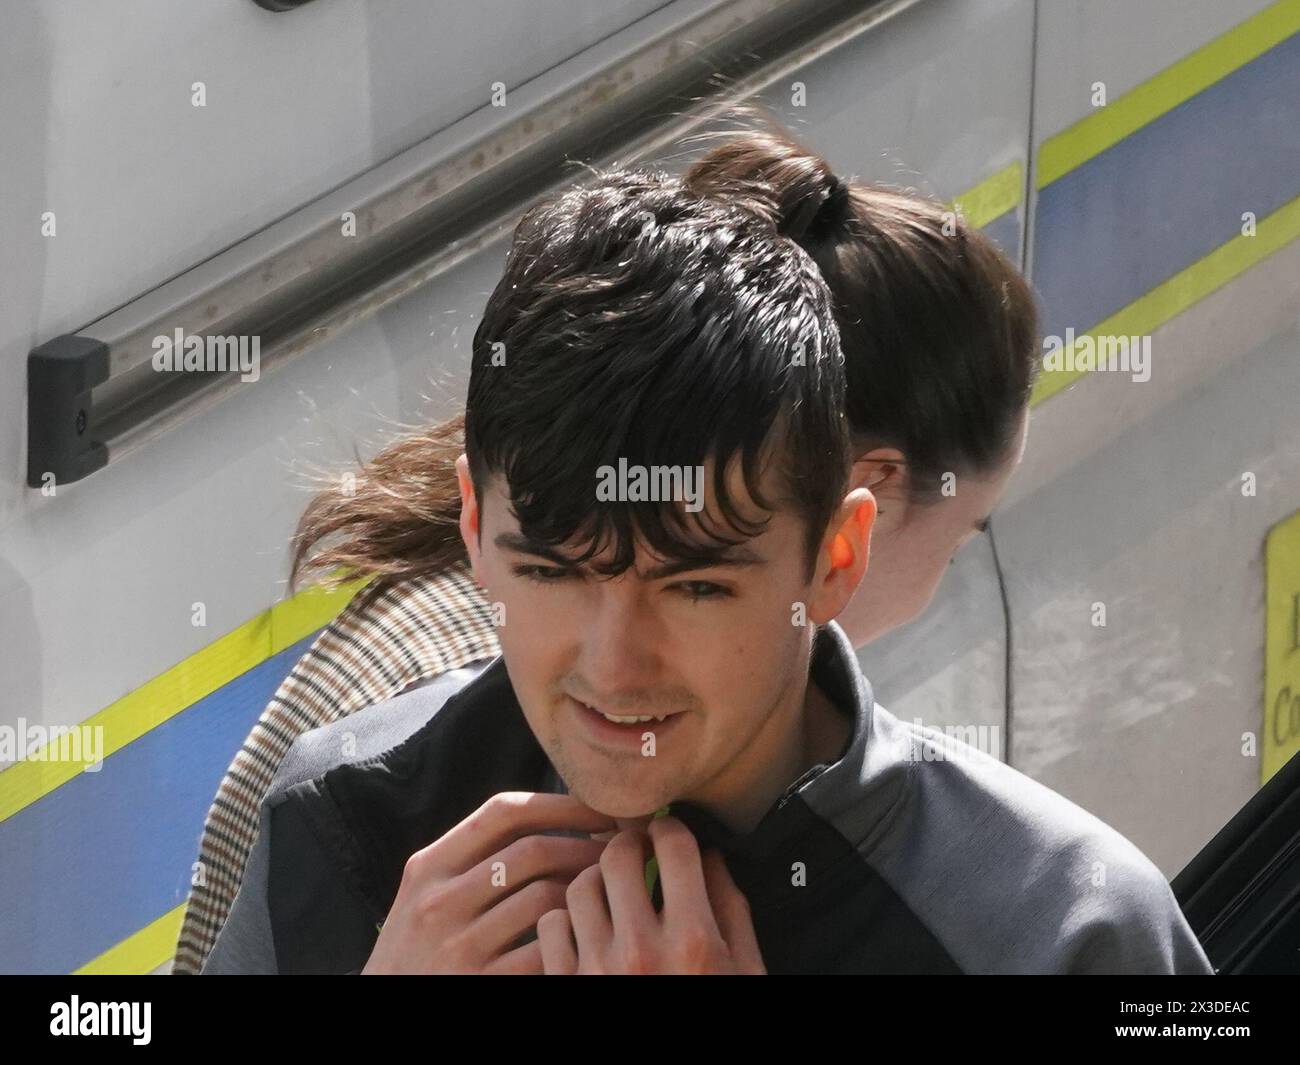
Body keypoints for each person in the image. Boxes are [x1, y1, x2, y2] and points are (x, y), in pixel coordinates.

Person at [198, 157, 1212, 974]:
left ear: (834, 556)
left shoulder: (1069, 931)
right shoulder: (339, 821)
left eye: (694, 587)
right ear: (472, 526)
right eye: (552, 572)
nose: (614, 667)